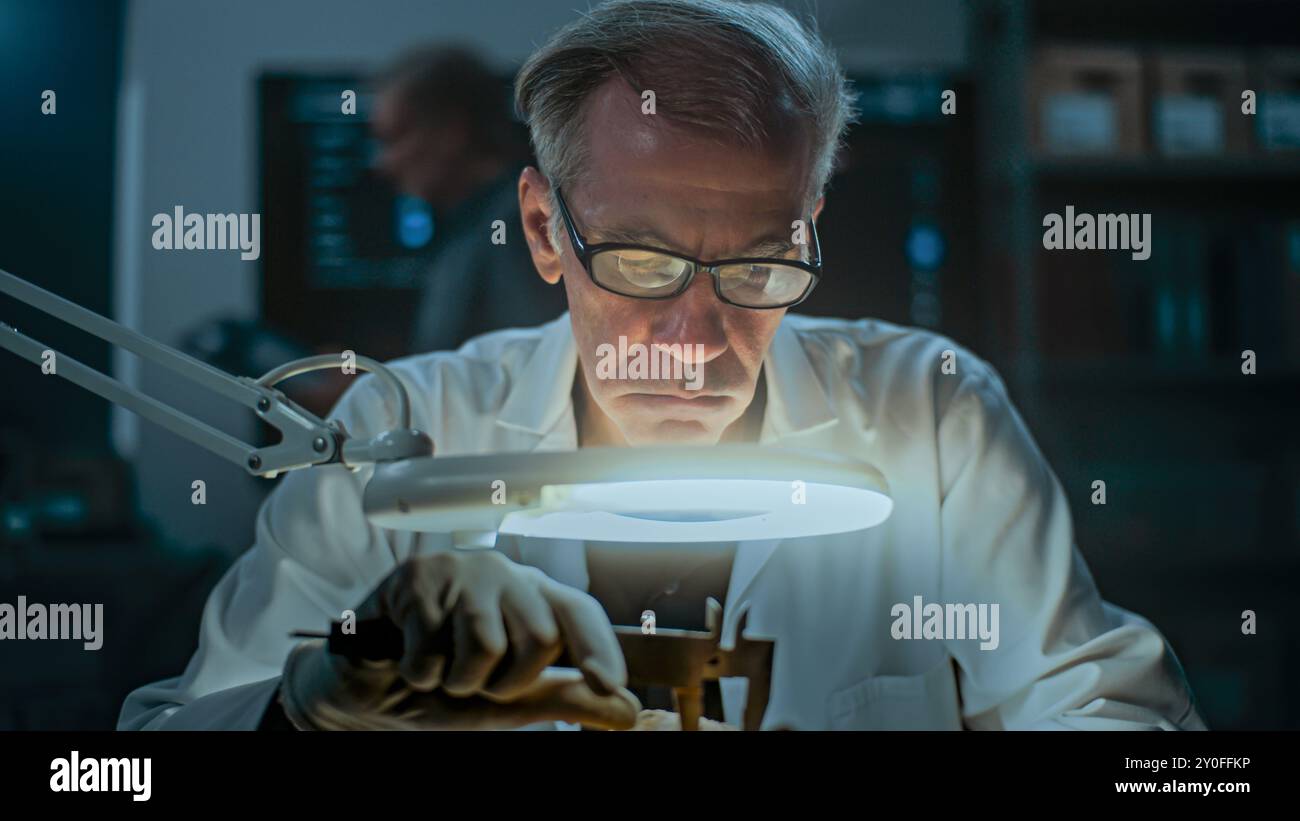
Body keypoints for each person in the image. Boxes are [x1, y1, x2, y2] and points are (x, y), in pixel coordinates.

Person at [120, 0, 1204, 731]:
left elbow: (1124, 721)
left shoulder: (930, 412)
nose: (691, 337)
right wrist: (318, 693)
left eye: (758, 264)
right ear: (544, 231)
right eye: (639, 262)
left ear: (807, 225)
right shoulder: (411, 431)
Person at [371, 45, 566, 353]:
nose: (383, 162)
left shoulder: (515, 227)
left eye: (395, 137)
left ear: (451, 131)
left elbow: (525, 366)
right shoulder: (476, 226)